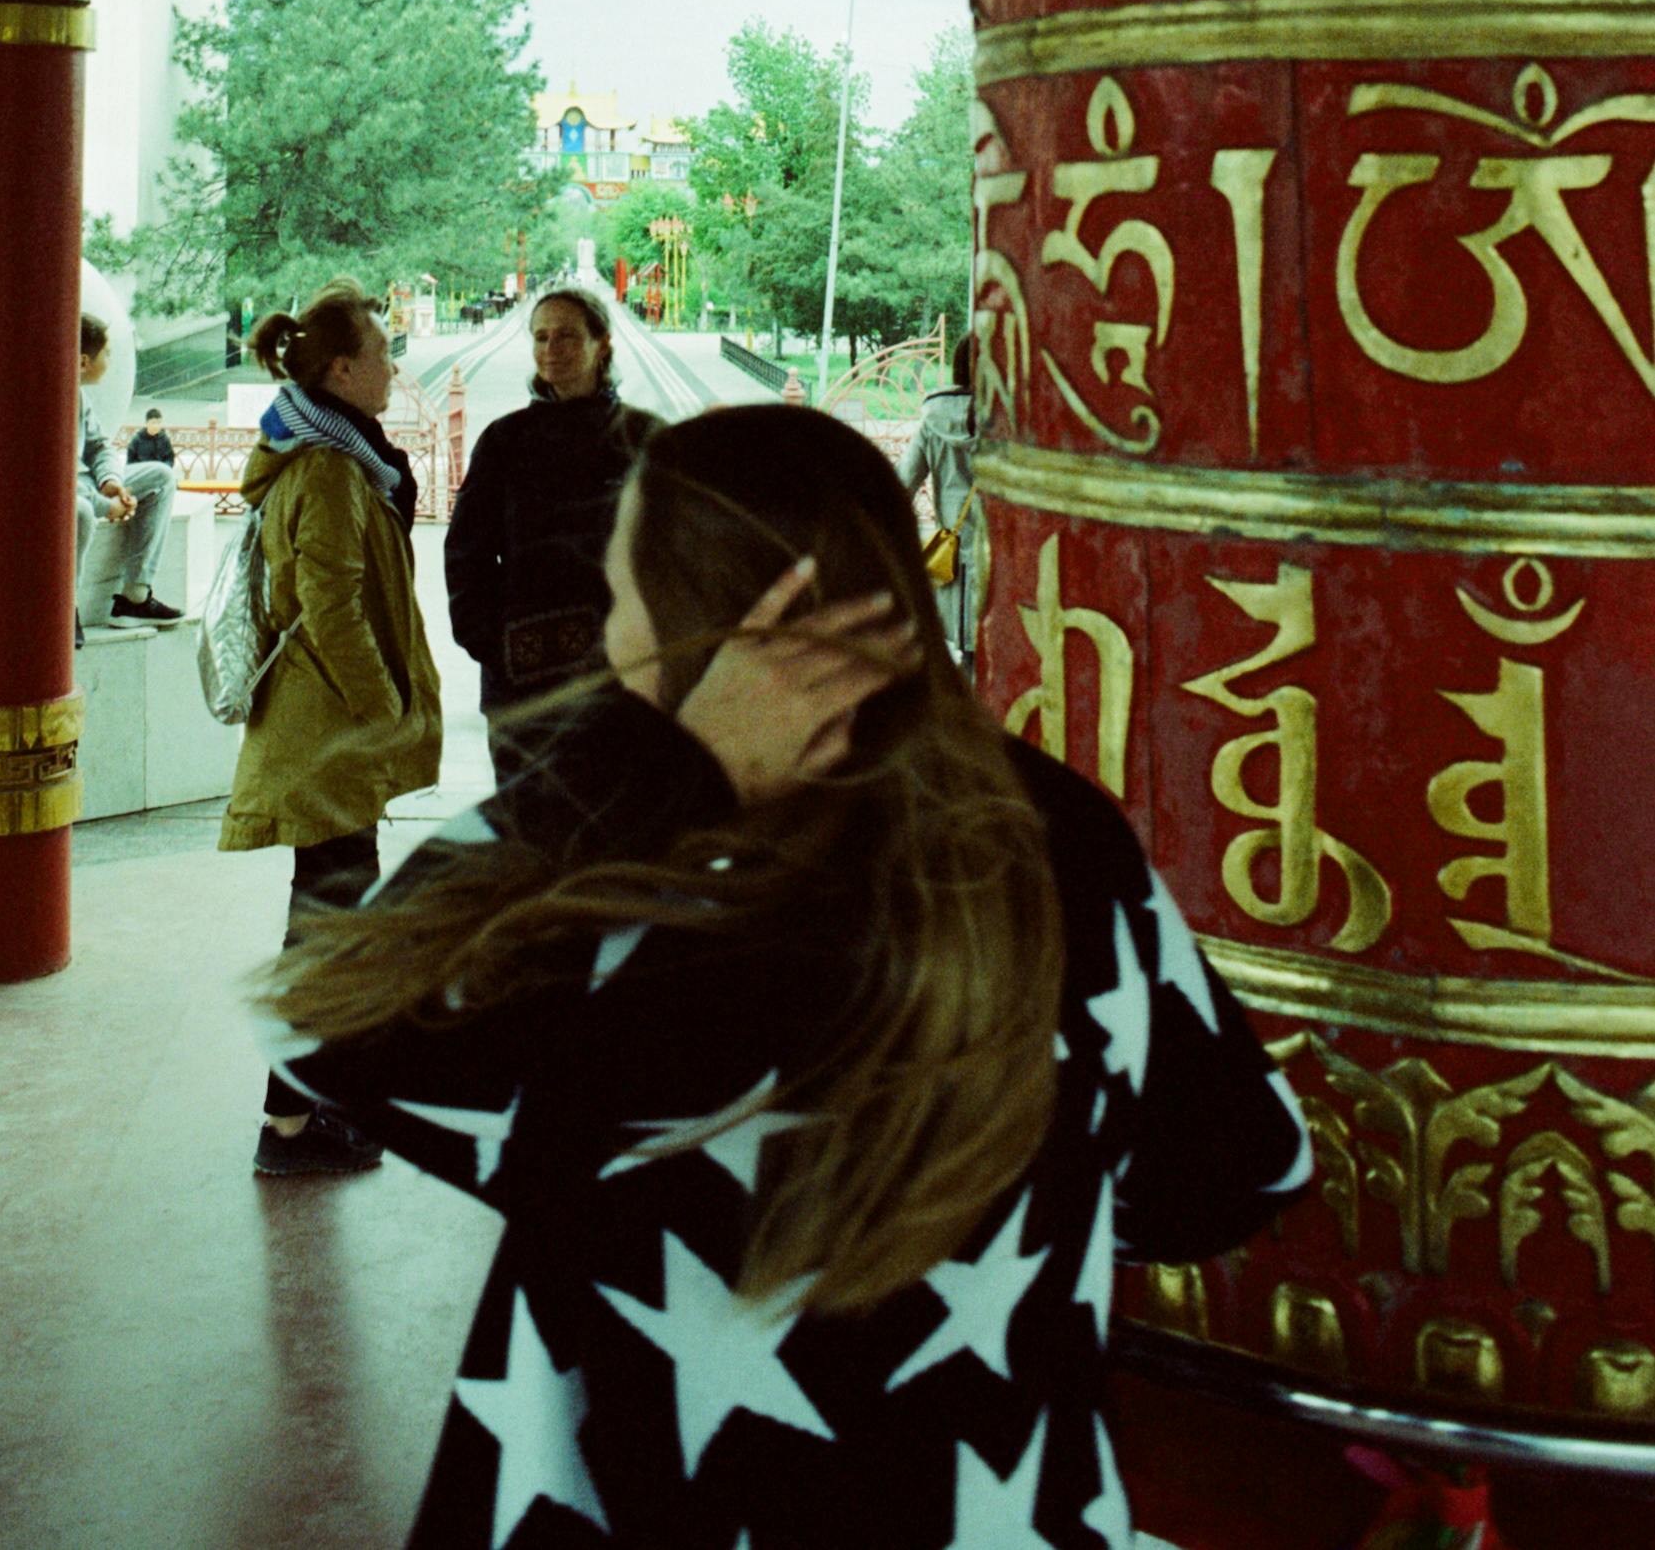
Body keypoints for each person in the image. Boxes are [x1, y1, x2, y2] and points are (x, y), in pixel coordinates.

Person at [259, 405, 1309, 1550]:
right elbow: (1242, 1170)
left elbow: (331, 1032)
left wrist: (660, 758)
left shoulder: (620, 874)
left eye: (624, 594)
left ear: (692, 625)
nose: (609, 628)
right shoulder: (1065, 837)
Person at [219, 278, 443, 1179]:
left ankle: (309, 1106)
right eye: (382, 352)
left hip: (325, 728)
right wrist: (383, 713)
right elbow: (332, 608)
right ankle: (286, 1126)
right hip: (328, 733)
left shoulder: (331, 452)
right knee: (325, 929)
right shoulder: (328, 468)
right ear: (343, 370)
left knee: (330, 921)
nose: (393, 366)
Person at [444, 281, 654, 777]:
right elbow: (466, 555)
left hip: (622, 678)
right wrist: (492, 645)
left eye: (566, 336)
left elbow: (673, 554)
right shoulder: (505, 440)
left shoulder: (643, 437)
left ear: (602, 343)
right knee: (526, 815)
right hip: (523, 684)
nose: (551, 349)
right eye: (540, 337)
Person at [75, 313, 180, 630]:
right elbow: (49, 478)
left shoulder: (77, 395)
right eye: (106, 354)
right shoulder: (47, 399)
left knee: (161, 477)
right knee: (81, 510)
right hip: (69, 491)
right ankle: (66, 609)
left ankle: (135, 596)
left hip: (86, 482)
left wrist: (111, 481)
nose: (110, 361)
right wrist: (106, 506)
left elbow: (99, 445)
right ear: (83, 361)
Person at [901, 334, 981, 669]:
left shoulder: (932, 422)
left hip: (951, 553)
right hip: (1000, 554)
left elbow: (903, 482)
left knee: (967, 654)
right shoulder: (1009, 421)